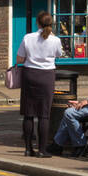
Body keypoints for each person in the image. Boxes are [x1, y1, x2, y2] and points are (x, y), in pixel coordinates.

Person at [16, 11, 64, 157]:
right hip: (47, 76)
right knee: (44, 115)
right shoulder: (55, 40)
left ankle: (28, 148)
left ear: (37, 23)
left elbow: (19, 59)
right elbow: (59, 55)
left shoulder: (28, 38)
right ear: (51, 24)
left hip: (30, 75)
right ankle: (42, 150)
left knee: (28, 114)